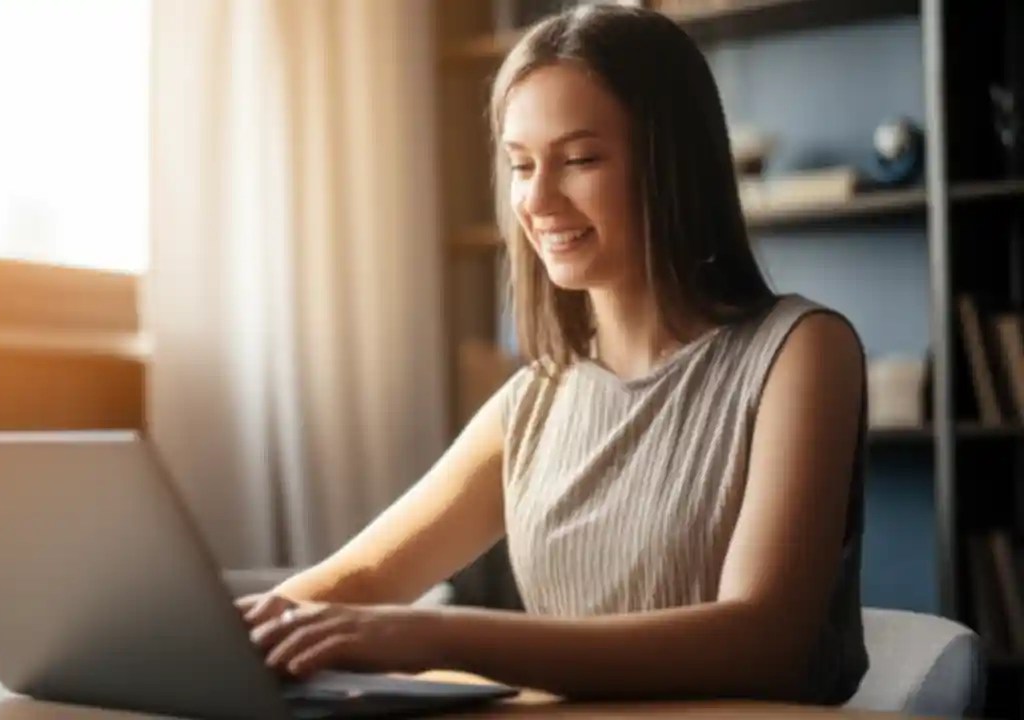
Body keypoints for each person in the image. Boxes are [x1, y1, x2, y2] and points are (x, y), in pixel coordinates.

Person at [236, 4, 868, 705]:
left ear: (671, 165)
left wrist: (437, 636)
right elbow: (359, 583)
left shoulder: (802, 354)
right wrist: (217, 636)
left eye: (580, 160)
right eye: (520, 164)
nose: (536, 199)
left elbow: (762, 644)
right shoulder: (535, 398)